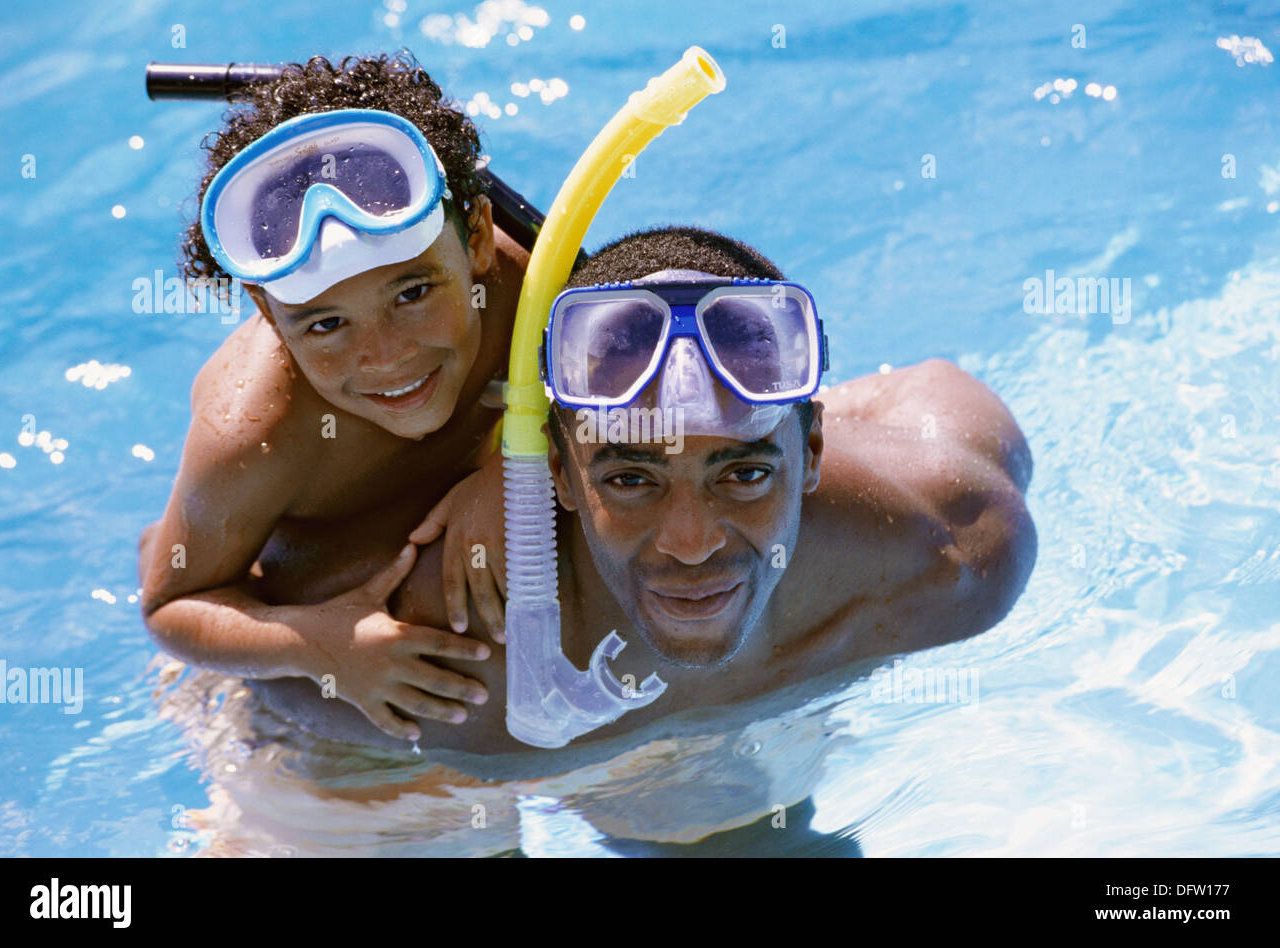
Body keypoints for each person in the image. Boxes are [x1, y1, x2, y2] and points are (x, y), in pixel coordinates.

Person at [248, 225, 1037, 760]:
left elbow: (939, 390)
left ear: (814, 453)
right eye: (631, 480)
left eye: (744, 474)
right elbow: (258, 673)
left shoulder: (950, 553)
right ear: (557, 474)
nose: (691, 544)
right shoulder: (439, 654)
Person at [137, 54, 526, 742]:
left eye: (413, 293)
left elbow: (631, 399)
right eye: (325, 325)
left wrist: (522, 464)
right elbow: (171, 605)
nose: (385, 356)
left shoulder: (529, 286)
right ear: (266, 309)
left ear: (476, 241)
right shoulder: (252, 430)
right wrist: (322, 647)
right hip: (283, 669)